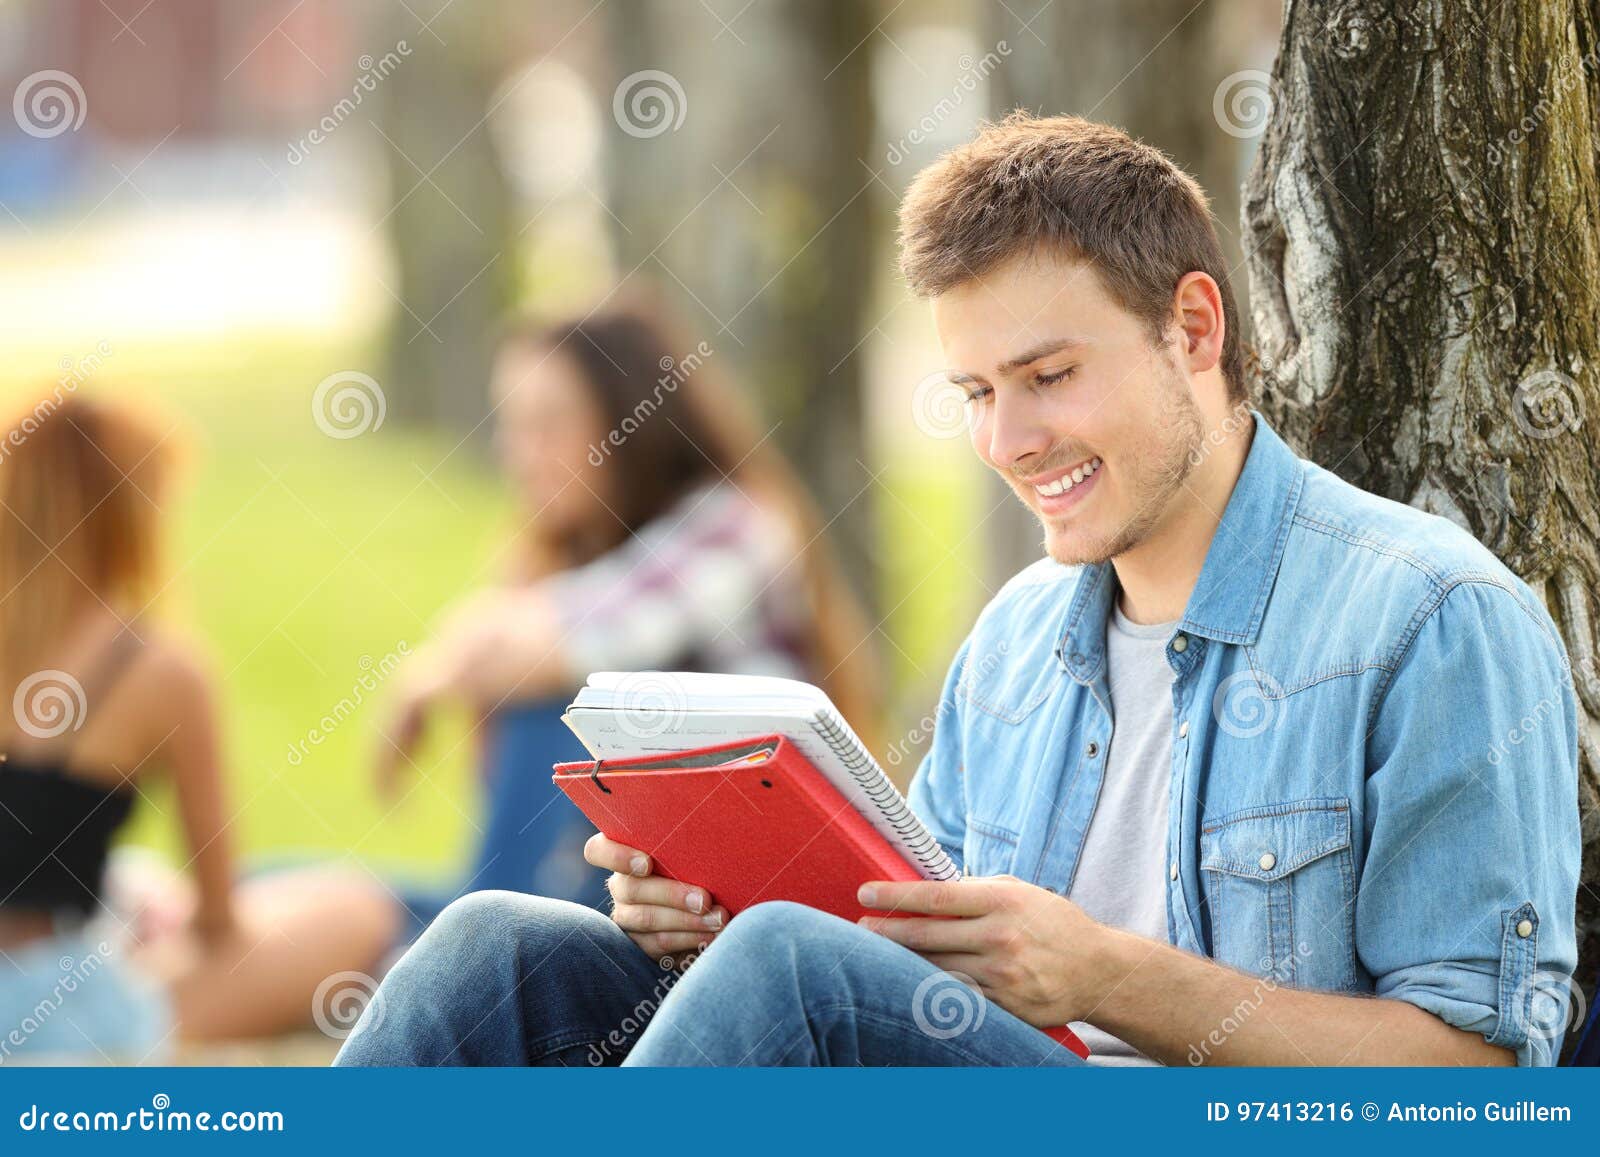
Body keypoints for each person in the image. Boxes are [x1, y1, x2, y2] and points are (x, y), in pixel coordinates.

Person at [334, 114, 1581, 1068]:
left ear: (1193, 328)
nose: (1010, 439)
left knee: (788, 971)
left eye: (1047, 373)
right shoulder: (1021, 640)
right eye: (977, 393)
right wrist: (714, 929)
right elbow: (903, 972)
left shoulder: (1428, 617)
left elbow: (1481, 1080)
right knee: (492, 950)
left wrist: (1104, 976)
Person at [375, 296, 881, 936]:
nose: (521, 452)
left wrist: (423, 681)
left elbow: (546, 646)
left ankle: (467, 950)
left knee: (560, 701)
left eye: (550, 422)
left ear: (629, 420)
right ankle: (451, 944)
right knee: (301, 897)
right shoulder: (560, 555)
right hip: (628, 892)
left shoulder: (734, 528)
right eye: (512, 424)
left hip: (748, 897)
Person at [0, 395, 399, 1061]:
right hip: (46, 1010)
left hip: (61, 953)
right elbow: (219, 921)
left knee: (142, 884)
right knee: (355, 909)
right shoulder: (156, 668)